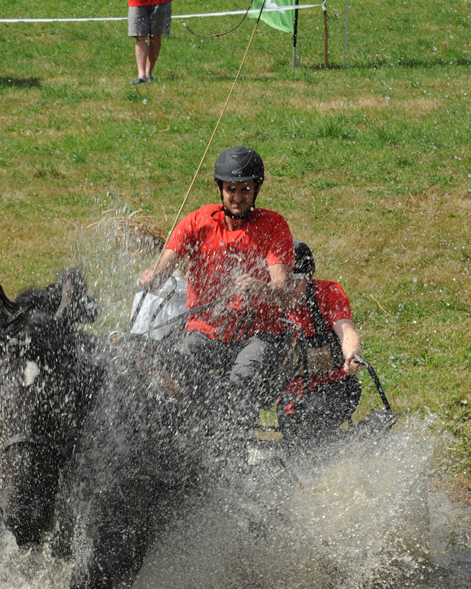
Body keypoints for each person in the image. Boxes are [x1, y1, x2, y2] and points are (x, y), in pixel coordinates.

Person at [138, 146, 302, 421]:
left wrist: (258, 287)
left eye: (245, 190)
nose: (237, 198)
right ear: (220, 188)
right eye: (231, 190)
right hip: (205, 330)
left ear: (256, 190)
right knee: (175, 372)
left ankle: (236, 445)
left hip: (258, 333)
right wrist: (151, 278)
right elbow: (163, 267)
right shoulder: (197, 222)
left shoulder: (274, 226)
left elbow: (284, 294)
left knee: (242, 379)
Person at [278, 240, 363, 443]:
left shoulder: (328, 293)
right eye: (282, 282)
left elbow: (346, 331)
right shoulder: (271, 303)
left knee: (314, 415)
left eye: (293, 281)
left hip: (336, 386)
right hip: (295, 393)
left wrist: (352, 353)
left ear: (308, 277)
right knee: (292, 425)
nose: (287, 289)